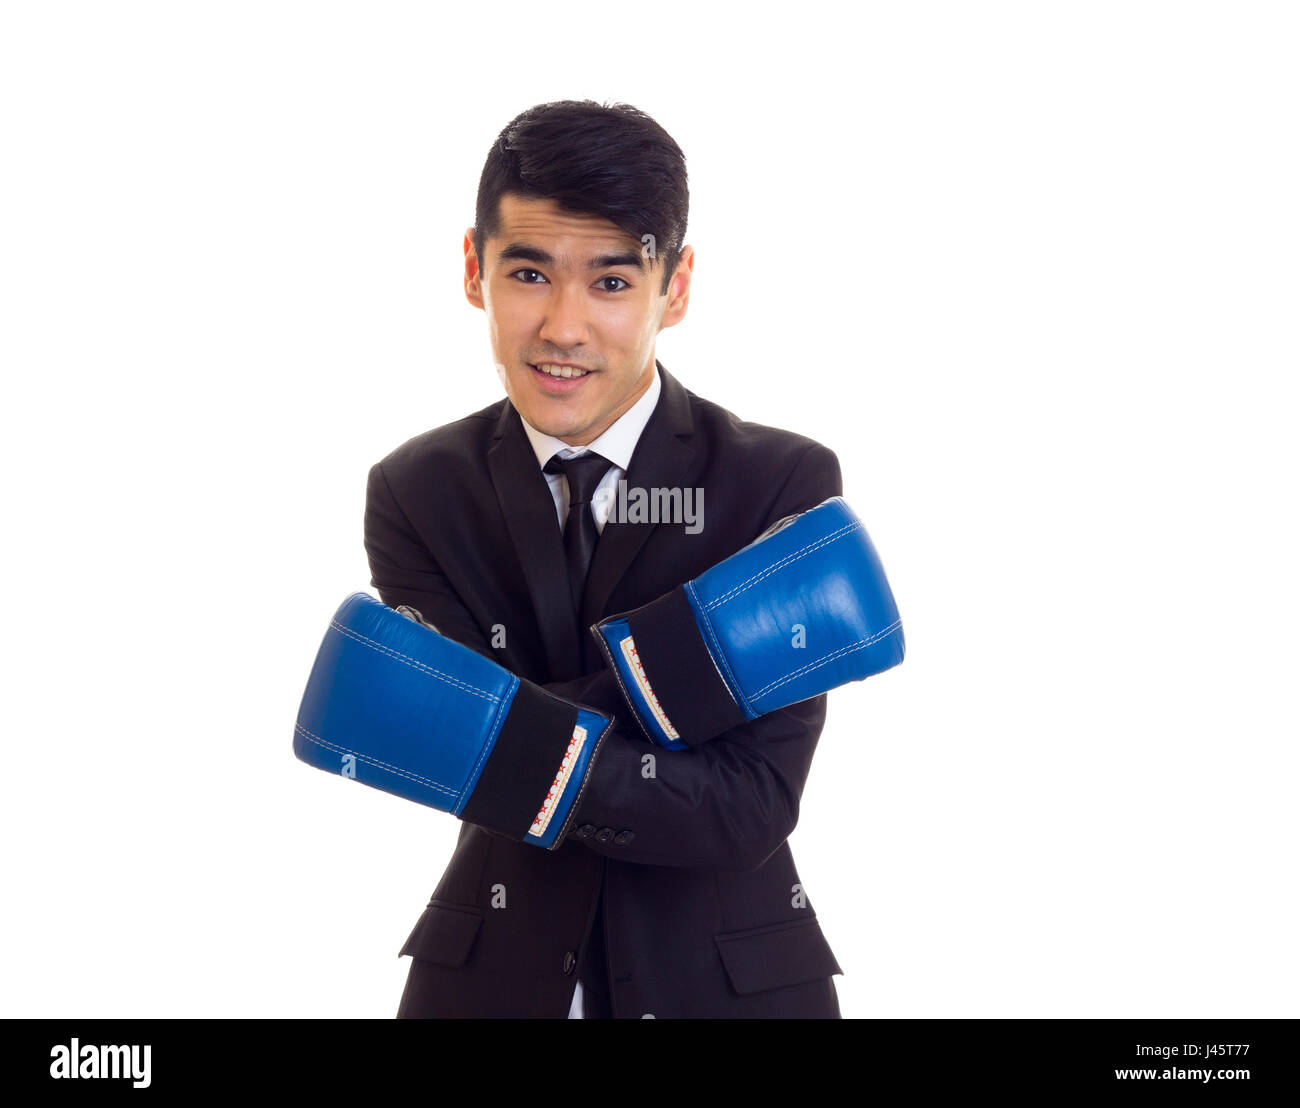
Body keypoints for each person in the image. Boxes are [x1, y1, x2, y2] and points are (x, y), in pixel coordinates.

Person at [364, 100, 850, 1018]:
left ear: (677, 286)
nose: (563, 326)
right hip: (486, 985)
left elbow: (747, 806)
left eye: (612, 283)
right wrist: (678, 682)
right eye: (529, 272)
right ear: (475, 270)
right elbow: (480, 777)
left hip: (732, 989)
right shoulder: (416, 494)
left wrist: (501, 730)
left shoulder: (780, 485)